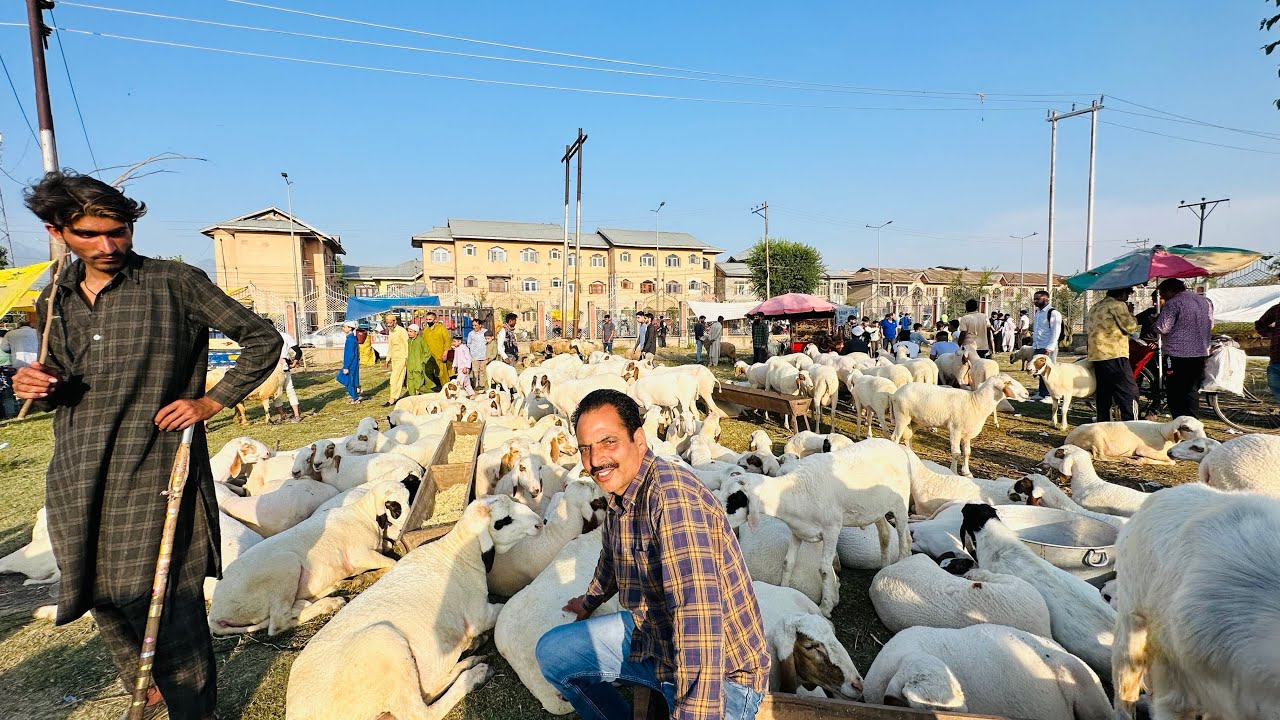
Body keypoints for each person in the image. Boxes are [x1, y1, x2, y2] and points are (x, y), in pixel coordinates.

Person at [11, 170, 283, 719]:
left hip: (155, 464)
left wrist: (212, 401)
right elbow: (60, 378)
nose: (108, 246)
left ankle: (192, 708)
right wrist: (35, 384)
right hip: (78, 464)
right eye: (89, 234)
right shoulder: (55, 297)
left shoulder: (174, 282)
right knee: (96, 587)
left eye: (119, 231)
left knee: (164, 595)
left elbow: (262, 339)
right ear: (57, 232)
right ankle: (150, 685)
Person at [537, 390, 768, 719]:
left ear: (639, 440)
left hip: (722, 672)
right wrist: (588, 602)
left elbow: (697, 619)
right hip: (656, 638)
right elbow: (612, 559)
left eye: (608, 442)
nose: (595, 460)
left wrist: (693, 713)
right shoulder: (621, 492)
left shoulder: (673, 501)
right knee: (553, 654)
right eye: (586, 448)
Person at [1154, 279, 1214, 419]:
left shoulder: (1173, 303)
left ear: (1170, 290)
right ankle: (1192, 420)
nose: (1162, 296)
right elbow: (1210, 324)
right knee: (1192, 390)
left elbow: (1162, 328)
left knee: (1175, 391)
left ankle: (1179, 421)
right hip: (1200, 352)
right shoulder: (1206, 302)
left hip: (1177, 354)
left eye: (1162, 293)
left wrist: (1154, 322)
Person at [1087, 287, 1140, 422]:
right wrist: (1130, 313)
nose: (1127, 298)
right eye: (1127, 294)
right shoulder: (1118, 305)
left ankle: (1103, 423)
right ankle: (1131, 424)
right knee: (1128, 391)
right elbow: (1130, 327)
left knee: (1104, 393)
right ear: (1122, 293)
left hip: (1097, 354)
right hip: (1114, 353)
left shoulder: (1095, 307)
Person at [1027, 291, 1062, 403]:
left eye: (1038, 299)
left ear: (1046, 299)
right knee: (1040, 371)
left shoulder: (1053, 313)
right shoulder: (1038, 312)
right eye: (1034, 299)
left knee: (1048, 372)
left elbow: (1056, 332)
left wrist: (1049, 348)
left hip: (1047, 347)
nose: (1035, 301)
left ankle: (1050, 395)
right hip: (1038, 346)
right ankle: (1042, 393)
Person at [1255, 300, 1280, 404]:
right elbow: (1260, 324)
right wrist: (1271, 333)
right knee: (1277, 387)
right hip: (1277, 355)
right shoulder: (1277, 309)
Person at [420, 310, 451, 392]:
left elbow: (447, 341)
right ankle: (432, 389)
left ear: (435, 320)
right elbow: (423, 343)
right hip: (429, 356)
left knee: (442, 373)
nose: (428, 321)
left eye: (430, 319)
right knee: (428, 372)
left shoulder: (441, 328)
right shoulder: (426, 330)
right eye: (427, 319)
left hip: (440, 355)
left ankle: (447, 389)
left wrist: (445, 352)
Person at [383, 313, 409, 407]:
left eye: (390, 323)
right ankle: (394, 397)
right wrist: (387, 359)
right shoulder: (391, 331)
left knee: (394, 378)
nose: (389, 325)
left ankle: (392, 398)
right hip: (394, 358)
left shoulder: (402, 331)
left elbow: (407, 345)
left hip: (402, 358)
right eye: (387, 323)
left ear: (395, 322)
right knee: (397, 378)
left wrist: (406, 358)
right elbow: (390, 346)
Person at [278, 329, 303, 423]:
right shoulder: (285, 336)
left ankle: (282, 415)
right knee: (290, 390)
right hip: (284, 365)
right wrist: (294, 363)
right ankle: (296, 415)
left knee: (276, 392)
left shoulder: (264, 337)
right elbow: (298, 351)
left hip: (273, 368)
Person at [338, 321, 362, 403]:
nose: (343, 328)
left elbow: (350, 354)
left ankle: (355, 397)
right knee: (351, 379)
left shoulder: (350, 340)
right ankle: (356, 393)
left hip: (351, 364)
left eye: (344, 327)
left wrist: (346, 366)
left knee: (346, 380)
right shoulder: (352, 338)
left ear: (350, 328)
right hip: (353, 363)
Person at [404, 323, 428, 396]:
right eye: (408, 331)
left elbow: (427, 352)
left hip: (418, 366)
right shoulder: (409, 341)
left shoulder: (421, 340)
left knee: (419, 386)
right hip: (410, 366)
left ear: (416, 332)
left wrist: (422, 361)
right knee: (410, 384)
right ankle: (413, 398)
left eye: (411, 331)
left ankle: (430, 396)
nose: (409, 333)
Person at [466, 318, 488, 390]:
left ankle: (482, 385)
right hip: (474, 356)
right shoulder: (471, 334)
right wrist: (473, 349)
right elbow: (468, 344)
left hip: (484, 355)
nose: (474, 327)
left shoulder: (485, 332)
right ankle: (476, 386)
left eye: (475, 325)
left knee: (483, 371)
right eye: (473, 325)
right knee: (475, 372)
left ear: (480, 325)